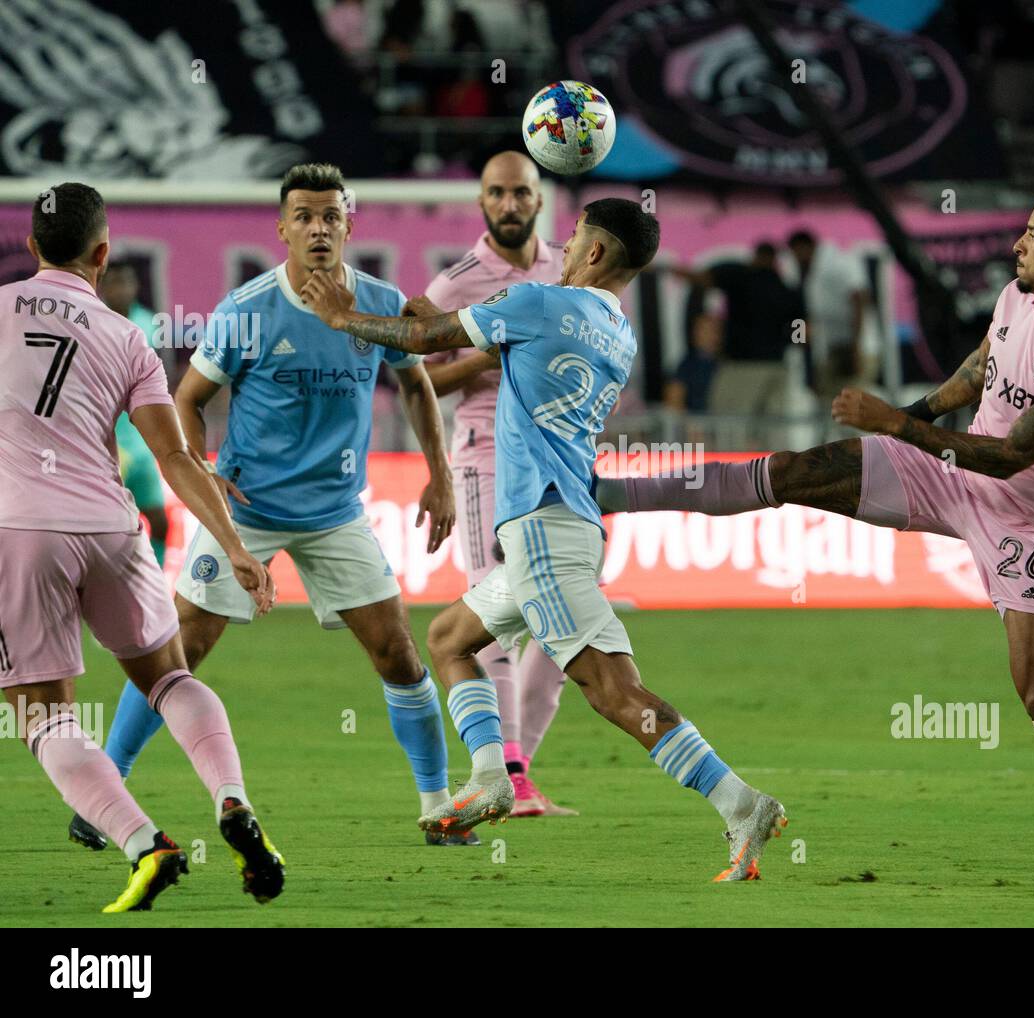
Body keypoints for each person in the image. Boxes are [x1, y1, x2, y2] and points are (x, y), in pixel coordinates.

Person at [595, 193, 1034, 881]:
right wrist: (911, 413)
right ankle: (613, 492)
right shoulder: (1018, 296)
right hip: (953, 471)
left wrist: (896, 426)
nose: (1019, 243)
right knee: (800, 471)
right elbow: (979, 368)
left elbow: (1014, 456)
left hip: (1029, 518)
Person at [302, 198, 789, 881]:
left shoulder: (537, 303)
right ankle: (490, 777)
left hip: (543, 528)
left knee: (615, 693)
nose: (559, 251)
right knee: (448, 638)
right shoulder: (617, 331)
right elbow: (444, 330)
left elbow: (426, 343)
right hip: (564, 523)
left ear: (593, 254)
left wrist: (341, 318)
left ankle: (740, 802)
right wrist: (422, 318)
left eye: (572, 242)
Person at [69, 163, 464, 850]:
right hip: (247, 508)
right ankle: (104, 791)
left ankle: (437, 806)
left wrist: (440, 474)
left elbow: (417, 385)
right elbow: (186, 398)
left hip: (336, 511)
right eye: (304, 216)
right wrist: (201, 466)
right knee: (176, 651)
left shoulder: (378, 302)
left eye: (330, 215)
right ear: (282, 228)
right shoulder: (246, 311)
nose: (318, 228)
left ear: (349, 225)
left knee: (397, 651)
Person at [1, 182, 282, 911]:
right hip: (111, 528)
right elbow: (177, 457)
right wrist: (235, 547)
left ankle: (144, 845)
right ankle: (232, 801)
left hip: (20, 532)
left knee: (43, 716)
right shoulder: (128, 336)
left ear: (31, 247)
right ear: (102, 253)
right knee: (169, 679)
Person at [423, 151, 574, 818]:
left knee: (566, 618)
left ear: (537, 198)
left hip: (560, 456)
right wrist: (490, 356)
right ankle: (507, 776)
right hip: (485, 452)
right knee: (495, 619)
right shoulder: (453, 285)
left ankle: (518, 772)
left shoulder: (570, 266)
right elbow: (415, 377)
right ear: (481, 202)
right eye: (496, 193)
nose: (508, 204)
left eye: (519, 192)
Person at [672, 242, 805, 418]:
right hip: (776, 366)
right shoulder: (789, 291)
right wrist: (789, 345)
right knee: (773, 429)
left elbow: (701, 278)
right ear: (775, 261)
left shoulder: (740, 277)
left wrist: (670, 269)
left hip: (741, 366)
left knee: (731, 427)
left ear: (756, 257)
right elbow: (802, 331)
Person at [99, 262, 169, 565]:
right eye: (114, 282)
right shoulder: (92, 322)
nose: (121, 289)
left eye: (126, 281)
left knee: (161, 523)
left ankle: (157, 584)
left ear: (135, 286)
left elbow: (163, 379)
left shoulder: (150, 324)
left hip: (141, 445)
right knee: (107, 528)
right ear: (103, 287)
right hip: (107, 444)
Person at [786, 230, 873, 397]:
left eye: (797, 253)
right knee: (829, 404)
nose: (795, 258)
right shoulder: (800, 272)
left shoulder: (839, 262)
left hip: (853, 345)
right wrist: (800, 341)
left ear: (806, 247)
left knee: (854, 403)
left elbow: (859, 300)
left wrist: (856, 347)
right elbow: (802, 313)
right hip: (827, 348)